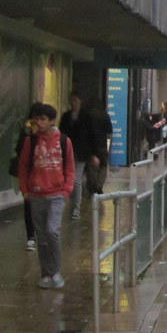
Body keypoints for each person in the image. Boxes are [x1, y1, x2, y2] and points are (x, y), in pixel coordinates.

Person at [19, 103, 75, 289]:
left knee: (52, 231)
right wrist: (25, 189)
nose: (39, 122)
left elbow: (70, 168)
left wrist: (66, 189)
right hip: (36, 194)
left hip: (57, 194)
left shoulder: (64, 141)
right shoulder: (31, 141)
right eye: (37, 118)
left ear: (52, 121)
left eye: (43, 119)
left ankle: (56, 271)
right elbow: (24, 166)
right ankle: (46, 273)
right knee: (41, 236)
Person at [60, 91, 104, 220]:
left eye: (75, 100)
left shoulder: (86, 117)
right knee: (71, 179)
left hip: (81, 153)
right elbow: (62, 134)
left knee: (76, 179)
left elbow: (92, 136)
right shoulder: (66, 116)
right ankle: (71, 205)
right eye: (72, 101)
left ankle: (76, 208)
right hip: (68, 152)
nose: (73, 103)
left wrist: (95, 154)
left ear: (80, 101)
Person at [10, 106, 40, 251]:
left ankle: (35, 236)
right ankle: (31, 237)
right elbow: (19, 150)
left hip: (41, 174)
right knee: (29, 204)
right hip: (29, 172)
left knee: (39, 205)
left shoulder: (48, 133)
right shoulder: (27, 130)